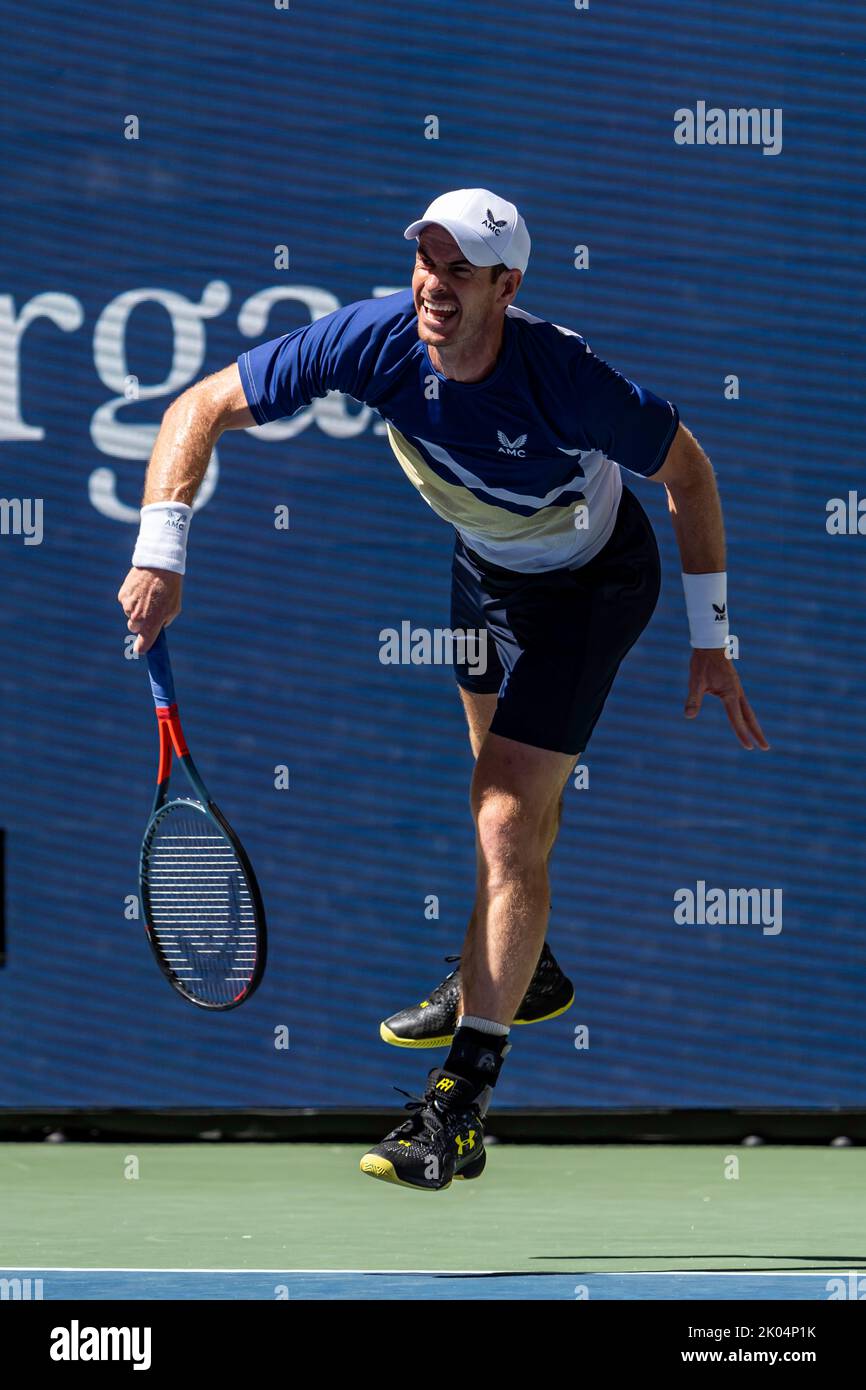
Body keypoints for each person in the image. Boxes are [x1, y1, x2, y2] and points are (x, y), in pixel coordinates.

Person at [118, 187, 768, 1193]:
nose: (433, 283)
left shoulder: (566, 377)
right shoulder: (373, 338)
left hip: (592, 586)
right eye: (425, 260)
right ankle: (523, 966)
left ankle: (457, 1102)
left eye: (458, 269)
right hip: (482, 575)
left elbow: (688, 472)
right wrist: (162, 552)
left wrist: (709, 638)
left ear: (505, 287)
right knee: (497, 815)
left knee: (507, 822)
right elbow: (194, 407)